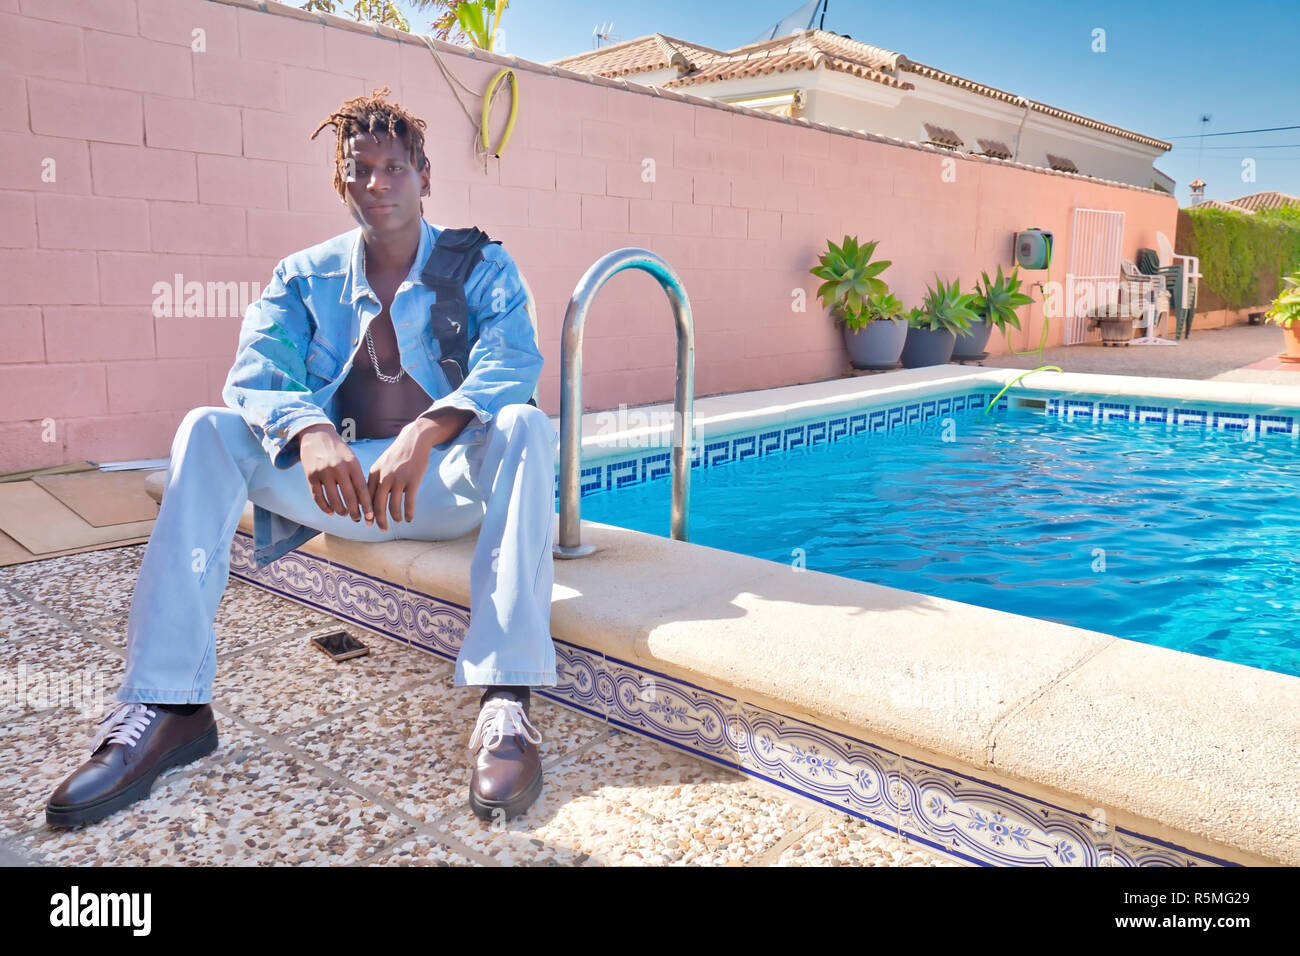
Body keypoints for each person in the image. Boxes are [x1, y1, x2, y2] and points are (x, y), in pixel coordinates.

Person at [45, 89, 558, 828]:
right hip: (342, 491)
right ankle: (168, 705)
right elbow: (256, 373)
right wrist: (313, 432)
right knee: (206, 429)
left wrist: (424, 433)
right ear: (341, 182)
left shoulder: (480, 264)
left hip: (443, 488)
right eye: (361, 170)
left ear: (424, 175)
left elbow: (514, 362)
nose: (377, 184)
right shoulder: (302, 275)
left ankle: (507, 703)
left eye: (394, 168)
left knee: (524, 425)